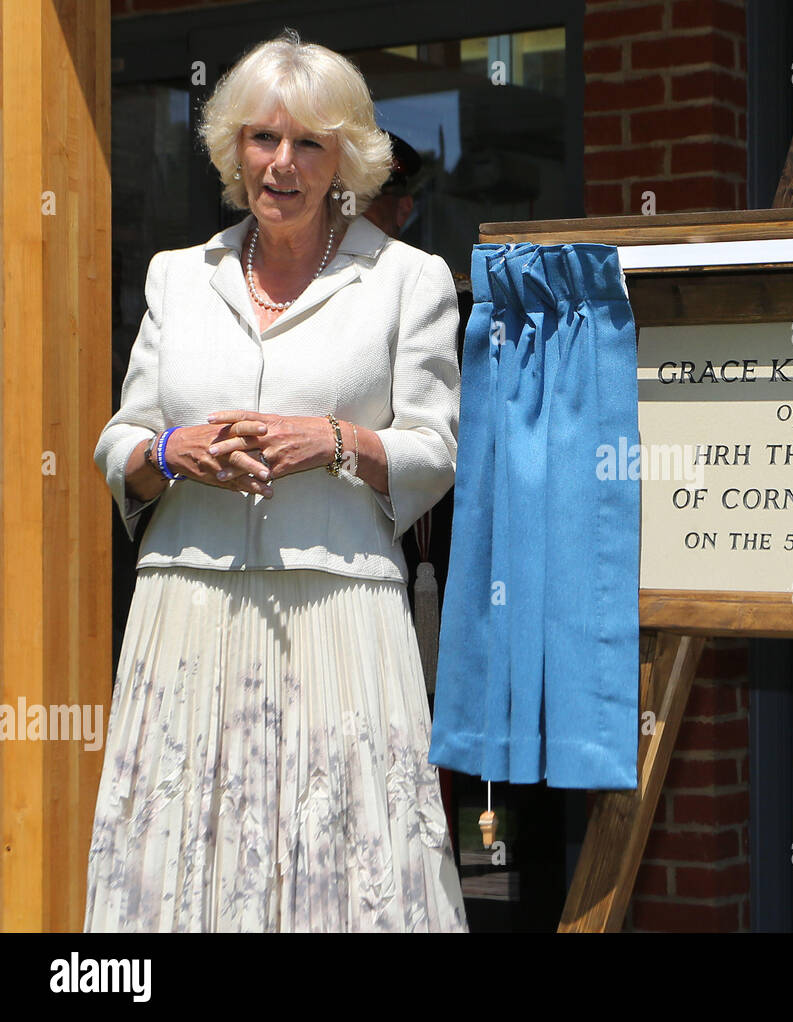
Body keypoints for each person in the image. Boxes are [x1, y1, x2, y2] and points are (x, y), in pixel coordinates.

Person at [86, 29, 467, 932]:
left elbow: (436, 450)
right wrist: (170, 450)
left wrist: (333, 440)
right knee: (181, 863)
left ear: (346, 159)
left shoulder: (409, 280)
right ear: (234, 150)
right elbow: (121, 438)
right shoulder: (179, 278)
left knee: (342, 868)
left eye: (308, 143)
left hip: (337, 613)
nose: (282, 163)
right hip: (186, 608)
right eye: (263, 138)